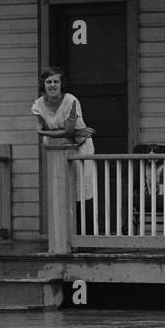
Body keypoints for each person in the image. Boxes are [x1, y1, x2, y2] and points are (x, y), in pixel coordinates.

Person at [32, 66, 97, 233]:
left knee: (83, 192)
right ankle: (66, 236)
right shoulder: (38, 105)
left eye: (56, 81)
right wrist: (54, 133)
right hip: (59, 149)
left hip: (81, 148)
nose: (52, 85)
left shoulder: (71, 101)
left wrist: (48, 132)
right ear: (43, 84)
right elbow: (41, 129)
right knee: (61, 190)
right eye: (48, 82)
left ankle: (86, 238)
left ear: (61, 84)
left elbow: (67, 131)